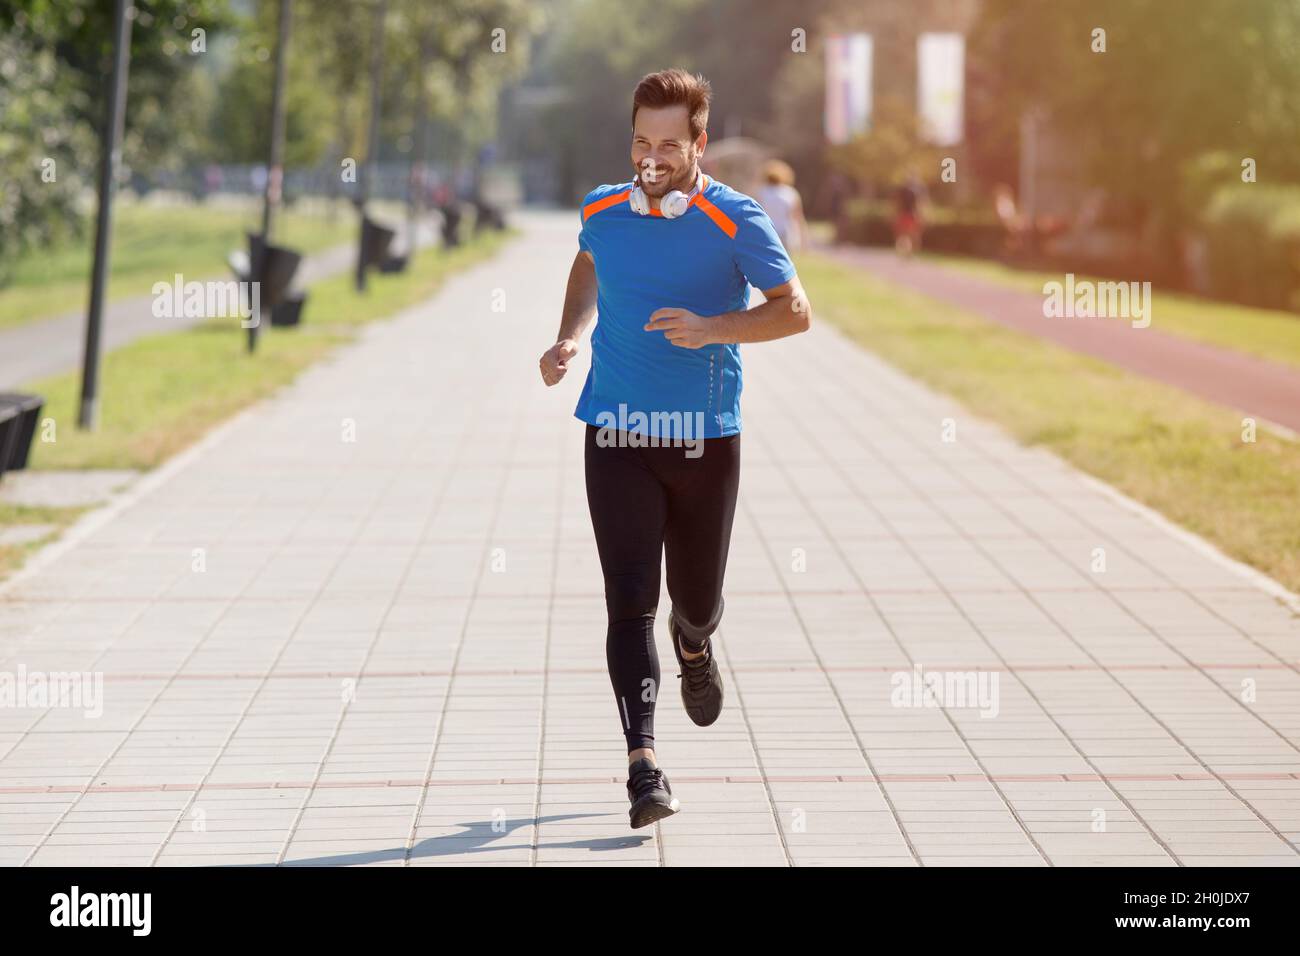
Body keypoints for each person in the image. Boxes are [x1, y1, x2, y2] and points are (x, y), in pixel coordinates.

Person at [537, 68, 813, 829]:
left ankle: (694, 647)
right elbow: (589, 262)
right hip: (615, 434)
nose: (651, 158)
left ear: (698, 144)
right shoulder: (602, 209)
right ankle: (644, 767)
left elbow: (794, 312)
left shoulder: (736, 220)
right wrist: (570, 337)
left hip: (703, 441)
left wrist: (713, 327)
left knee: (692, 604)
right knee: (629, 602)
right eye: (640, 142)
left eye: (668, 143)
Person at [756, 159, 808, 252]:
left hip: (767, 232)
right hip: (786, 233)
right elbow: (798, 216)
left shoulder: (761, 192)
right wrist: (803, 237)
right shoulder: (790, 193)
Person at [892, 172, 927, 257]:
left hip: (906, 214)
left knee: (905, 235)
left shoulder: (904, 190)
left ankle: (905, 251)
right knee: (910, 235)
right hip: (909, 214)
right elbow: (919, 204)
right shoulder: (913, 191)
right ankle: (908, 252)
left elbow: (897, 203)